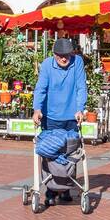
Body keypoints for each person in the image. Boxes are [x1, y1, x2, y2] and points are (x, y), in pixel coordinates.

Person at [32, 38, 88, 204]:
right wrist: (37, 110)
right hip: (51, 118)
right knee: (51, 152)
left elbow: (80, 87)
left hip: (71, 116)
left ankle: (66, 188)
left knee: (70, 151)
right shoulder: (48, 65)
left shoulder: (77, 62)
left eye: (67, 55)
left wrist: (80, 108)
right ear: (54, 55)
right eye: (61, 56)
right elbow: (41, 88)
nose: (64, 59)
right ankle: (51, 190)